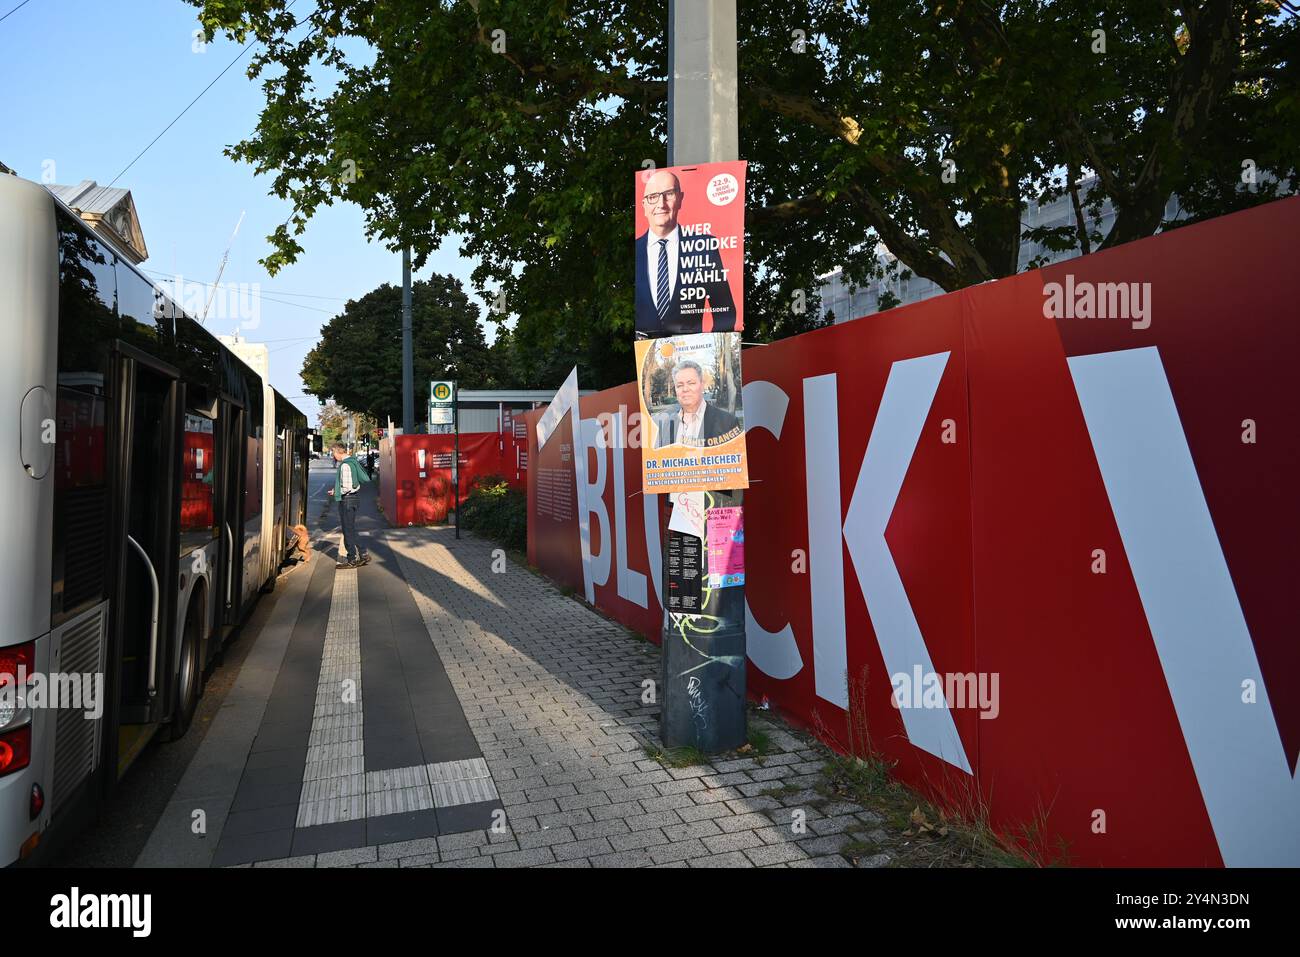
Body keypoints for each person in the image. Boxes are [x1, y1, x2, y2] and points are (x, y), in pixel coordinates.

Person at [635, 170, 737, 336]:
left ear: (680, 198)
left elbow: (725, 313)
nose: (661, 204)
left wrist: (710, 352)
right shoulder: (636, 250)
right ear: (644, 205)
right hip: (645, 356)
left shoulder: (704, 246)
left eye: (668, 194)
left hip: (694, 355)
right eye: (653, 197)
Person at [653, 360, 741, 449]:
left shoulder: (727, 423)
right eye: (679, 385)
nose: (685, 389)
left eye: (691, 383)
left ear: (702, 384)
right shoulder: (666, 425)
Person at [327, 443, 371, 568]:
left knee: (348, 530)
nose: (333, 457)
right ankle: (363, 554)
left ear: (337, 452)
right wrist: (336, 491)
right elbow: (353, 484)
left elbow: (347, 487)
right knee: (350, 529)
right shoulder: (353, 461)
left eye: (333, 454)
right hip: (353, 498)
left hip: (347, 500)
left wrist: (337, 492)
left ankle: (352, 559)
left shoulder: (345, 465)